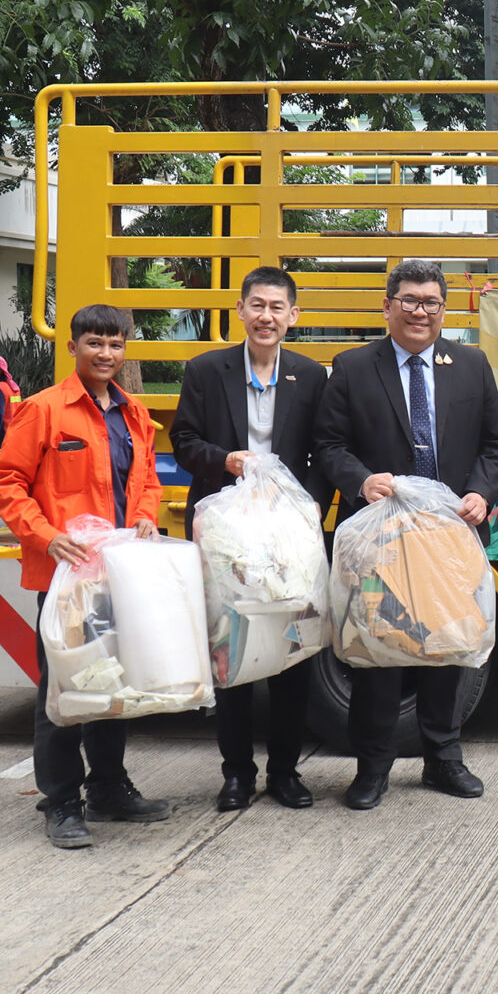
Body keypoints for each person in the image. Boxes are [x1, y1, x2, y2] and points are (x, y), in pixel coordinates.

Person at [314, 260, 498, 808]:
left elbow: (497, 442)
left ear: (443, 310)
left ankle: (443, 760)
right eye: (409, 300)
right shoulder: (353, 367)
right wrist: (361, 480)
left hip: (449, 539)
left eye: (430, 302)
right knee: (379, 655)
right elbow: (328, 445)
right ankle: (372, 768)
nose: (419, 311)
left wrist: (481, 492)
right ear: (388, 306)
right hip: (380, 542)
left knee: (447, 649)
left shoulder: (471, 365)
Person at [0, 304, 171, 850]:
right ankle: (62, 801)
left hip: (118, 574)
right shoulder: (43, 411)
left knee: (112, 683)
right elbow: (6, 481)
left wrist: (145, 514)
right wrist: (45, 536)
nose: (106, 354)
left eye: (115, 344)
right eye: (95, 343)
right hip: (65, 578)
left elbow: (147, 480)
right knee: (65, 689)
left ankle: (108, 789)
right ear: (73, 347)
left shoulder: (134, 414)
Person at [170, 266, 330, 814]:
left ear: (293, 315)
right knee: (231, 653)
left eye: (277, 307)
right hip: (226, 532)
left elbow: (325, 449)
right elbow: (184, 441)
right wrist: (227, 460)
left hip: (288, 536)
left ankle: (285, 771)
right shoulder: (206, 370)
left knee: (292, 651)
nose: (266, 317)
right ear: (240, 310)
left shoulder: (310, 375)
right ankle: (236, 774)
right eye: (257, 305)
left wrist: (313, 506)